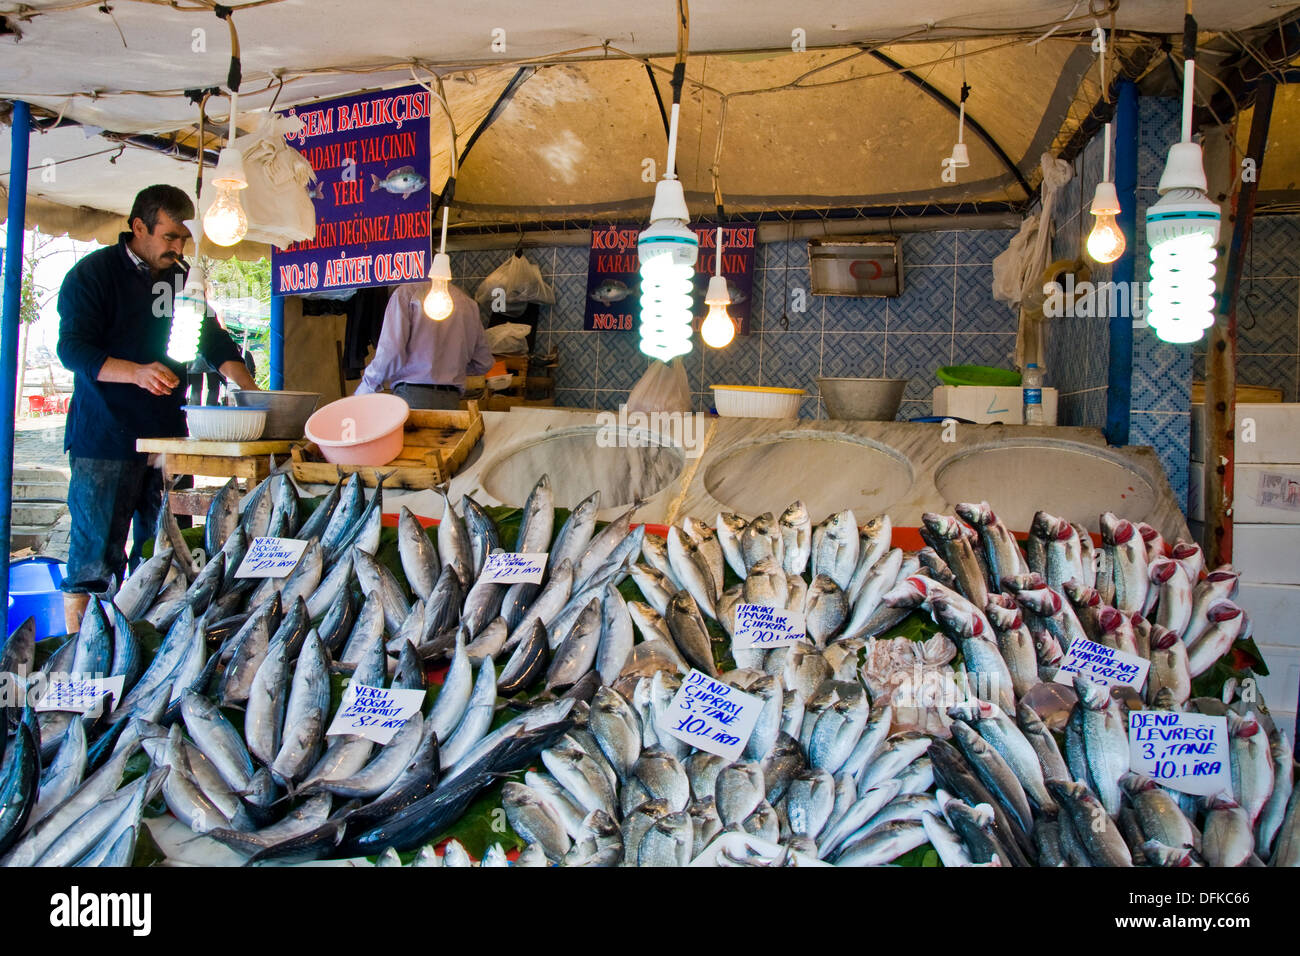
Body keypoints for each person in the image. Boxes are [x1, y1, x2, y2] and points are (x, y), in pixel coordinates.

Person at [56, 184, 258, 633]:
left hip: (168, 437)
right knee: (95, 559)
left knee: (167, 551)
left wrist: (250, 390)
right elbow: (72, 350)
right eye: (169, 237)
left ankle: (151, 644)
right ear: (138, 227)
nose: (177, 248)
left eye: (183, 240)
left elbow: (212, 339)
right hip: (104, 438)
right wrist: (136, 372)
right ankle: (82, 654)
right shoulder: (92, 276)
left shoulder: (181, 278)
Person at [354, 280, 493, 409]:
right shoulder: (467, 303)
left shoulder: (405, 294)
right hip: (450, 398)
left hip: (412, 396)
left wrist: (367, 387)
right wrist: (452, 368)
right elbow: (484, 362)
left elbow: (392, 352)